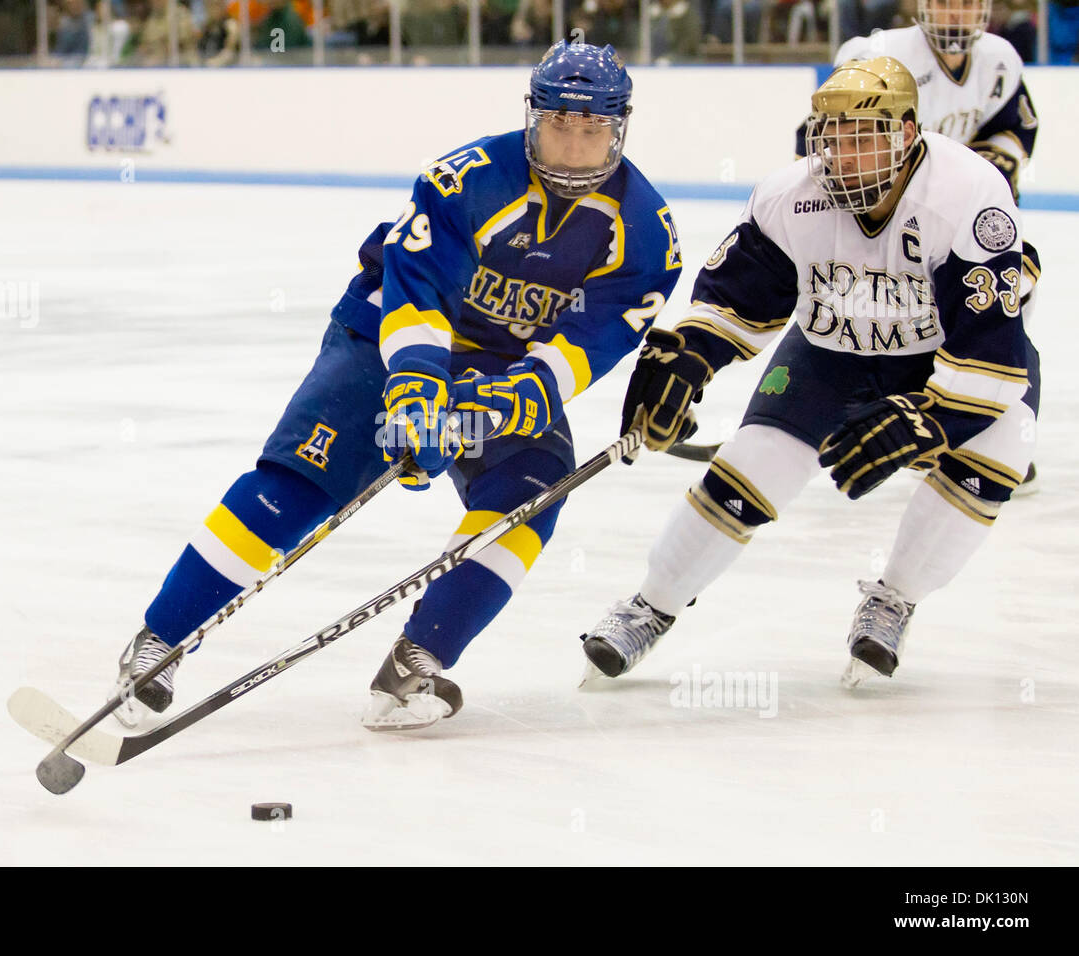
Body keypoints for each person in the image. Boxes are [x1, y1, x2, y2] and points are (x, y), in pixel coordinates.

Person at [112, 41, 684, 731]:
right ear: (532, 119)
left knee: (533, 490)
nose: (572, 146)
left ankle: (419, 658)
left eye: (591, 129)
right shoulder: (463, 179)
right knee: (305, 476)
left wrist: (518, 399)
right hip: (390, 339)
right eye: (559, 124)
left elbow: (592, 340)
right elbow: (416, 295)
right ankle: (160, 641)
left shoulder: (648, 232)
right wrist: (416, 394)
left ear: (619, 128)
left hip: (505, 366)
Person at [579, 56, 1038, 689]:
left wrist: (930, 420)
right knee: (753, 464)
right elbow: (738, 303)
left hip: (939, 357)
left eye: (863, 137)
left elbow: (992, 352)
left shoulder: (968, 195)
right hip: (831, 354)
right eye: (834, 137)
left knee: (1005, 443)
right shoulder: (789, 196)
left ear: (906, 134)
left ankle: (894, 599)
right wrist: (690, 355)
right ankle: (650, 607)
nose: (843, 155)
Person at [799, 0, 1042, 491]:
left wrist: (1001, 160)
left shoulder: (1000, 58)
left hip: (953, 215)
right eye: (945, 2)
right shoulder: (878, 53)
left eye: (967, 3)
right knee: (881, 305)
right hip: (880, 213)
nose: (955, 13)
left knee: (1014, 282)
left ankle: (971, 416)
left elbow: (1017, 126)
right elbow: (825, 132)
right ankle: (853, 400)